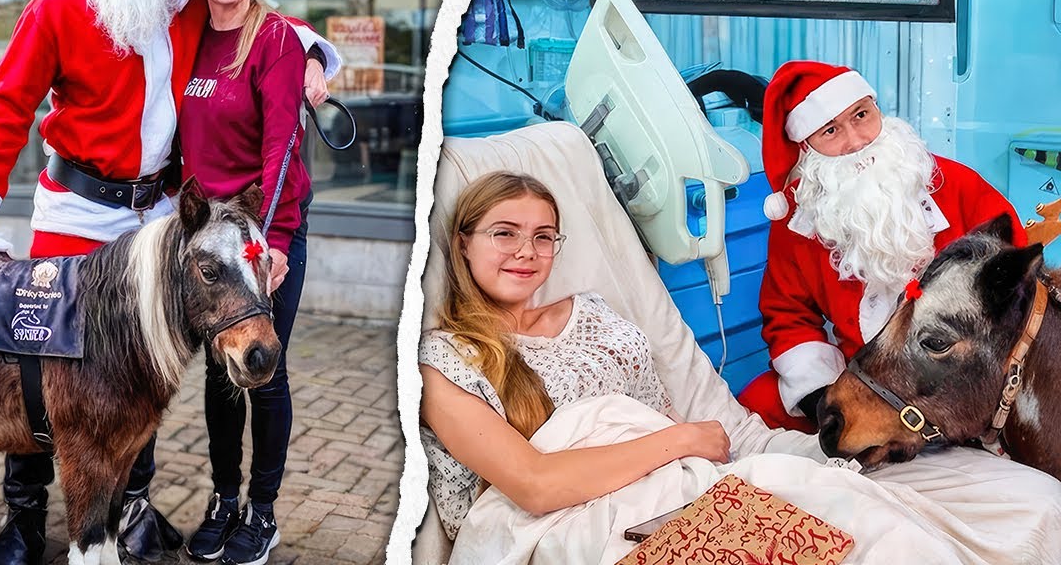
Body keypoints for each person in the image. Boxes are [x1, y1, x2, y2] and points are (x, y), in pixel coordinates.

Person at [0, 0, 338, 565]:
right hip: (74, 214)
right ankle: (23, 521)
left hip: (155, 221)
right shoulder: (57, 4)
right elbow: (5, 107)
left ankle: (129, 510)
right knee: (38, 357)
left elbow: (251, 6)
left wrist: (310, 55)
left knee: (142, 367)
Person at [418, 171, 731, 543]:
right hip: (569, 528)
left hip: (668, 489)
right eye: (504, 233)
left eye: (543, 236)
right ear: (463, 243)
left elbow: (653, 414)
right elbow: (536, 486)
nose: (527, 251)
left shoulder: (593, 313)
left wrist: (702, 466)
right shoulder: (446, 359)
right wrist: (683, 440)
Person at [738, 60, 1026, 432]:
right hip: (862, 372)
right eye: (830, 130)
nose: (857, 140)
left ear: (877, 110)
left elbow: (1015, 287)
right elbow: (788, 316)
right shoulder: (799, 222)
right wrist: (822, 396)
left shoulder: (957, 185)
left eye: (861, 115)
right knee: (757, 404)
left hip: (960, 372)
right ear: (807, 147)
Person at [174, 0, 319, 565]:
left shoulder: (277, 40)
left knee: (263, 366)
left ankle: (262, 513)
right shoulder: (187, 34)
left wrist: (277, 241)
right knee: (218, 369)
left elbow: (282, 146)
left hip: (264, 225)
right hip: (209, 232)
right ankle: (223, 500)